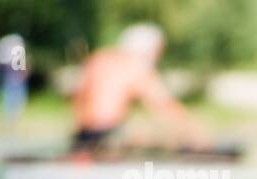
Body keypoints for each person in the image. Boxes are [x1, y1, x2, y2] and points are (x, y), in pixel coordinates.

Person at [70, 23, 208, 154]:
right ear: (148, 50)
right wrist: (198, 133)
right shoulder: (135, 66)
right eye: (158, 53)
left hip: (82, 136)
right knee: (152, 135)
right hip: (108, 136)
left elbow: (78, 99)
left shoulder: (98, 59)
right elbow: (165, 107)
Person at [0, 34, 29, 131]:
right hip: (13, 70)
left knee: (8, 95)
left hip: (6, 70)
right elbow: (19, 61)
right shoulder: (17, 42)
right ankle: (11, 121)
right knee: (15, 96)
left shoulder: (5, 42)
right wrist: (23, 71)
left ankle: (8, 121)